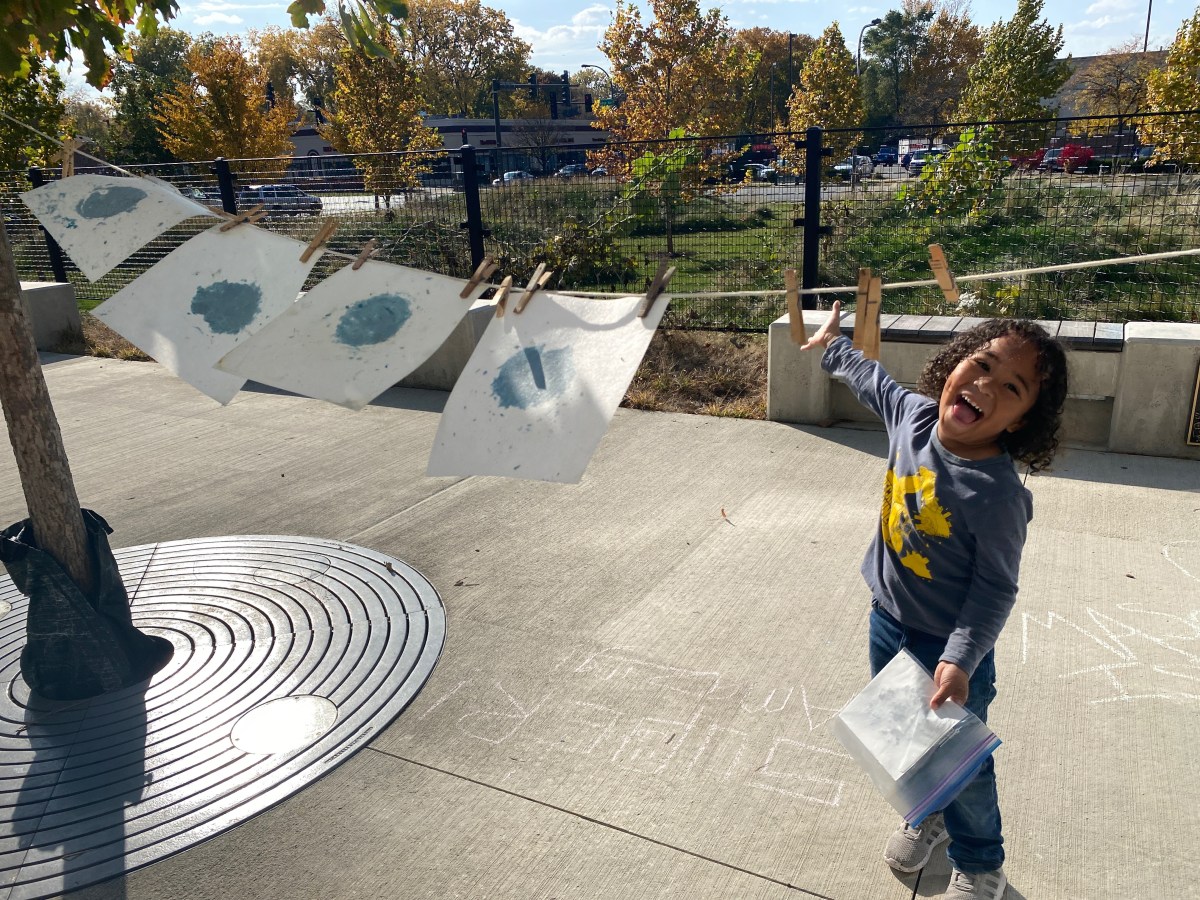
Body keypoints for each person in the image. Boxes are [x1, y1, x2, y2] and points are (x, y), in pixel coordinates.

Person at [802, 302, 1069, 900]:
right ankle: (928, 811)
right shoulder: (913, 418)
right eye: (981, 365)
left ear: (1024, 420)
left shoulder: (996, 495)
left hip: (946, 647)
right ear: (953, 364)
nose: (985, 386)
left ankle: (980, 864)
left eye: (1011, 387)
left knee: (963, 764)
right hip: (887, 621)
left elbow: (996, 587)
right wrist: (833, 348)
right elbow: (874, 381)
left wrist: (962, 658)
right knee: (908, 739)